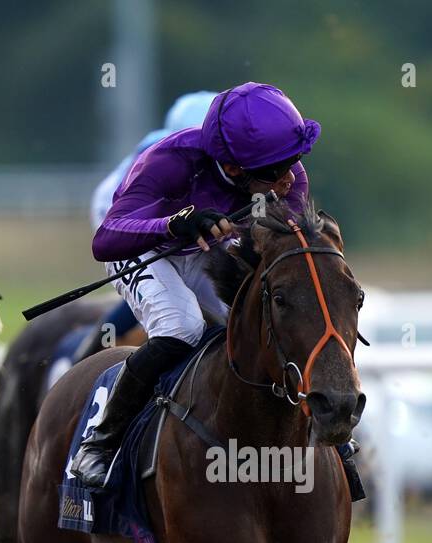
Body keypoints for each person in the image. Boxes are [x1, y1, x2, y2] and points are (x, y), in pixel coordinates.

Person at [72, 82, 320, 489]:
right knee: (181, 328)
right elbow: (106, 238)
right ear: (236, 168)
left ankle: (313, 430)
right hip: (148, 248)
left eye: (294, 161)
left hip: (209, 250)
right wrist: (173, 223)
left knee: (264, 325)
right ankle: (99, 443)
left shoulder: (285, 174)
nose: (290, 180)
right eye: (277, 171)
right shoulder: (171, 160)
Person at [73, 91, 219, 362]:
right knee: (160, 277)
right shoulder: (164, 148)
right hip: (117, 211)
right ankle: (87, 354)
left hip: (169, 214)